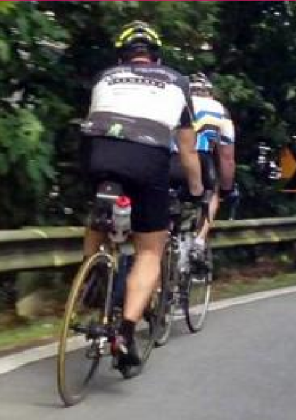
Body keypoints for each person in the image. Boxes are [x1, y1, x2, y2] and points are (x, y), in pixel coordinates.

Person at [80, 20, 204, 369]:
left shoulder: (106, 75)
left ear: (123, 55)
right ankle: (125, 332)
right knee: (151, 248)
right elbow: (187, 149)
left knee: (97, 216)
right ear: (157, 56)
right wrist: (195, 190)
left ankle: (92, 276)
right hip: (147, 157)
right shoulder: (178, 82)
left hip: (98, 151)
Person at [170, 72, 237, 266]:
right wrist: (227, 188)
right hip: (201, 161)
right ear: (209, 92)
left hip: (169, 161)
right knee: (213, 193)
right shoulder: (219, 110)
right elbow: (227, 157)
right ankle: (199, 241)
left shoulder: (174, 104)